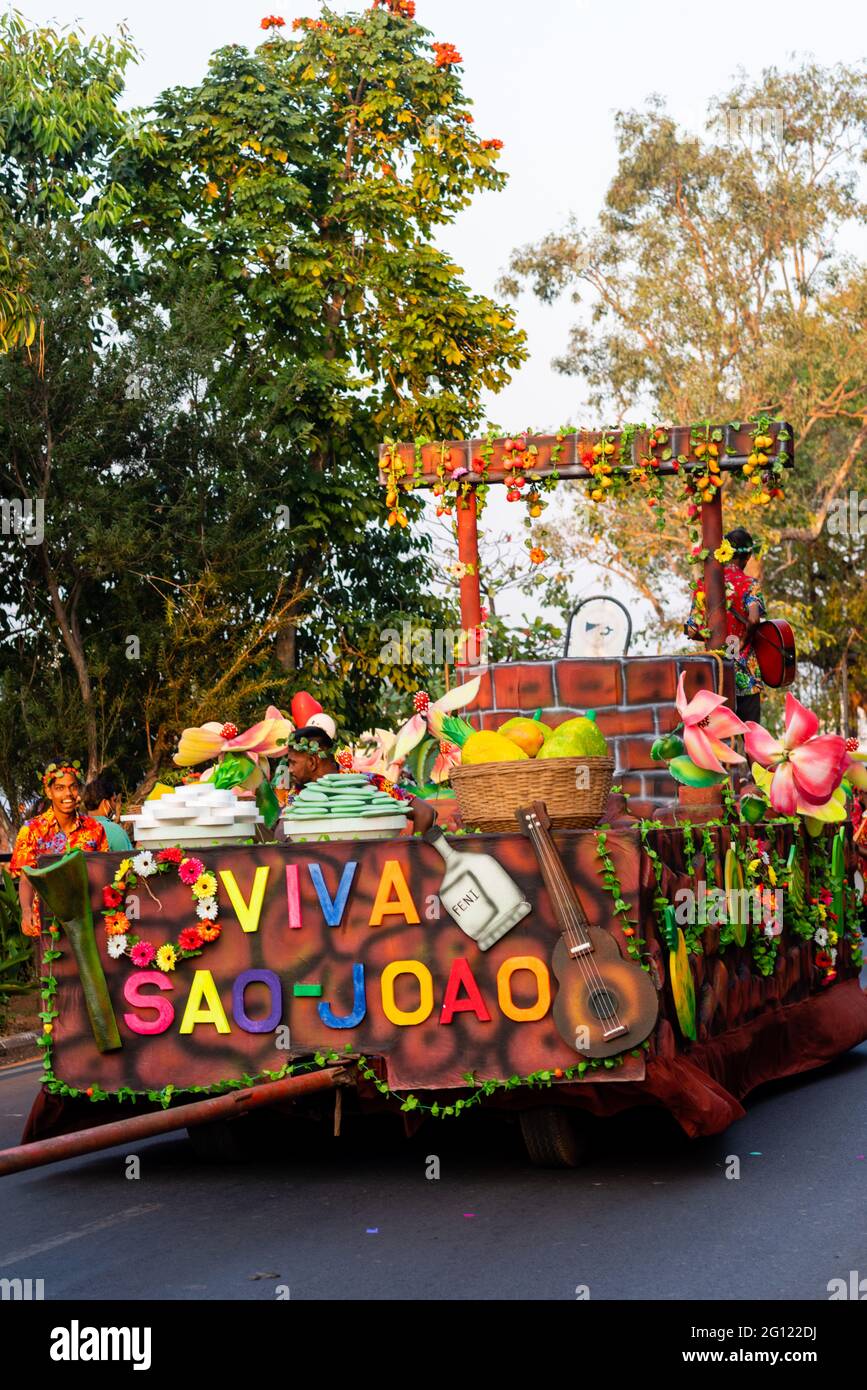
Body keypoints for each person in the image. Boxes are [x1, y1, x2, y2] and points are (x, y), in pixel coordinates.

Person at [10, 760, 108, 936]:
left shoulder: (95, 829)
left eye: (73, 787)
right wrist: (26, 911)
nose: (68, 794)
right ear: (49, 791)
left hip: (88, 922)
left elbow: (104, 871)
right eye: (60, 788)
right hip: (47, 925)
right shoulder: (32, 830)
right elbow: (26, 879)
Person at [280, 727, 437, 835]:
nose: (290, 770)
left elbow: (426, 813)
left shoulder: (372, 783)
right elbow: (281, 833)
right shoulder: (296, 795)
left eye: (293, 763)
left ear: (313, 762)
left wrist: (414, 855)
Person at [685, 526, 766, 723]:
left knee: (719, 742)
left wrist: (713, 637)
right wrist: (741, 644)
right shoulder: (749, 584)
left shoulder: (704, 585)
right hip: (746, 676)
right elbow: (754, 619)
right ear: (746, 557)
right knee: (751, 741)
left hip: (715, 675)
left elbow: (692, 629)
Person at [82, 771, 133, 851]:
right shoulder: (115, 831)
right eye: (114, 800)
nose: (116, 805)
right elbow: (130, 860)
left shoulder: (77, 828)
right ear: (105, 803)